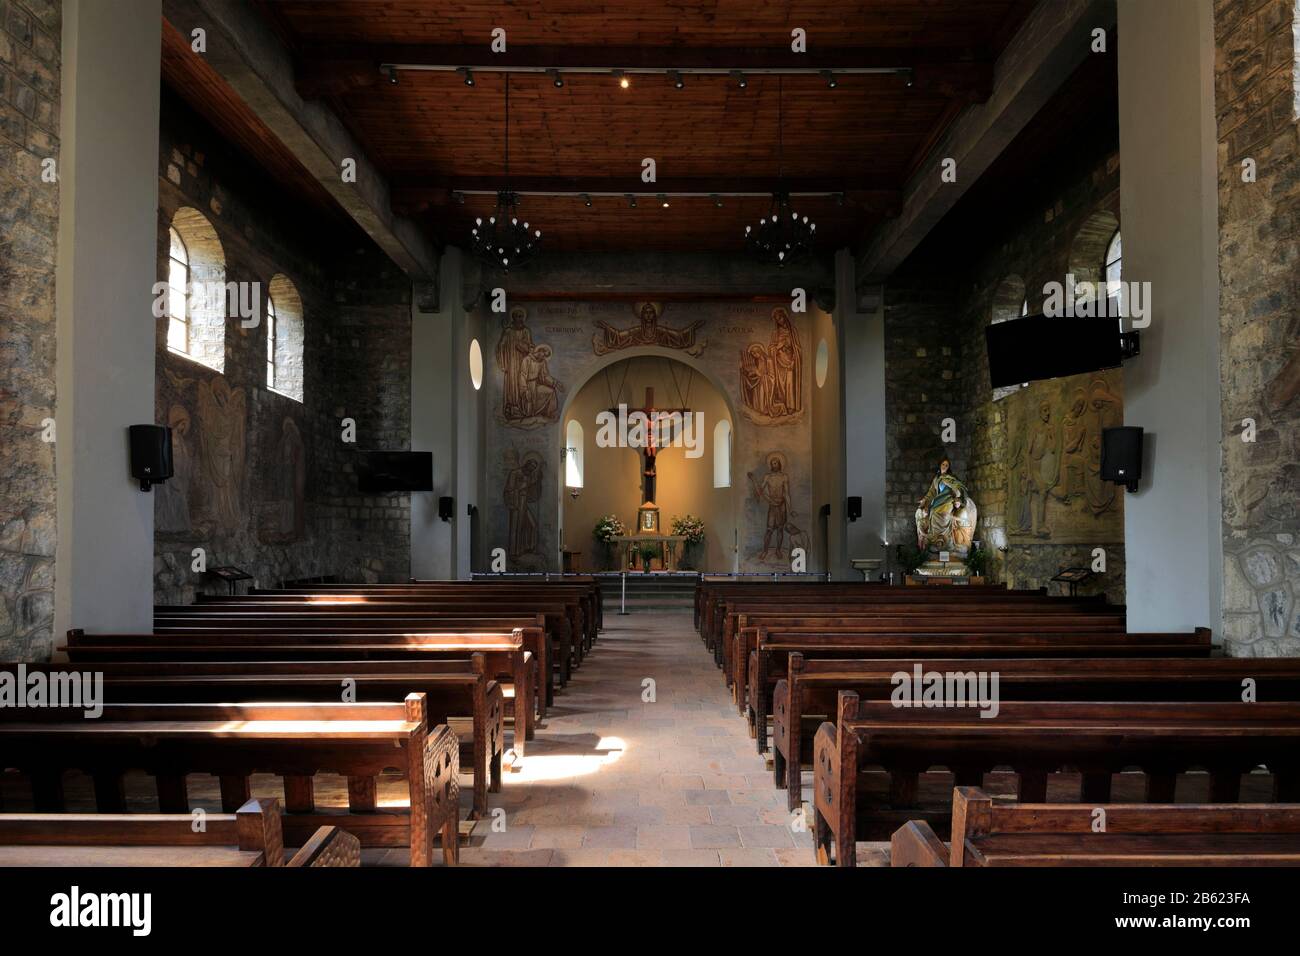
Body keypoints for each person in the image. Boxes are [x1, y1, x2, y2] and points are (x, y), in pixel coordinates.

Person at [915, 457, 978, 555]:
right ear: (940, 465)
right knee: (933, 513)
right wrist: (924, 500)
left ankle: (947, 543)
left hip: (948, 501)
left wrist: (958, 498)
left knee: (944, 516)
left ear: (948, 468)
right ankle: (936, 543)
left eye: (946, 465)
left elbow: (959, 488)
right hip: (937, 502)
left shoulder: (951, 478)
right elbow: (931, 493)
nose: (944, 466)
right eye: (943, 464)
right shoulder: (936, 479)